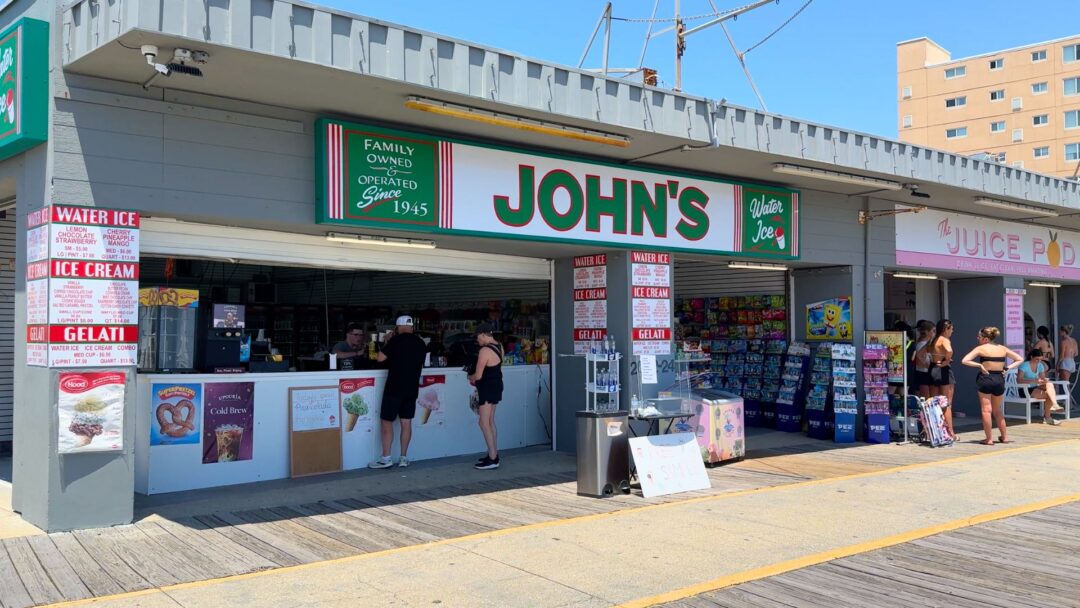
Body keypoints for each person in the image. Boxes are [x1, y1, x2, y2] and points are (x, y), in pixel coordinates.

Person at [369, 316, 428, 469]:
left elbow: (380, 358)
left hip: (394, 387)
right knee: (406, 422)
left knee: (387, 421)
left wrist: (388, 341)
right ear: (412, 327)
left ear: (398, 327)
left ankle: (386, 457)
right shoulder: (421, 343)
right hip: (411, 388)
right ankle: (403, 457)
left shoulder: (395, 341)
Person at [961, 327, 1023, 445]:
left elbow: (965, 360)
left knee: (986, 410)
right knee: (997, 410)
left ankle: (989, 439)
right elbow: (1020, 359)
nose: (977, 339)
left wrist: (979, 365)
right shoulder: (1002, 348)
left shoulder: (981, 348)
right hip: (999, 378)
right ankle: (1004, 437)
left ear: (985, 339)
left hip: (986, 378)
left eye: (979, 337)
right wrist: (1008, 368)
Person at [924, 319, 956, 437]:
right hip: (942, 370)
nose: (952, 331)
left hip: (933, 368)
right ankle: (950, 432)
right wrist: (946, 360)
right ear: (946, 329)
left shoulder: (933, 340)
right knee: (946, 403)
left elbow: (923, 352)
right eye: (951, 329)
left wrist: (934, 358)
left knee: (934, 402)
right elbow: (949, 350)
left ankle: (934, 430)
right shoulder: (944, 339)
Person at [1017, 348, 1064, 425]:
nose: (1039, 361)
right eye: (1037, 359)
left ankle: (1054, 405)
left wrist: (1044, 380)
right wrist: (1034, 381)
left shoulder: (1040, 365)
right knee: (1050, 395)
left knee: (1049, 384)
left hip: (1035, 388)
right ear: (1031, 357)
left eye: (1040, 359)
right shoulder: (1024, 365)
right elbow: (1018, 380)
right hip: (1025, 389)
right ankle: (1048, 417)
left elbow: (1042, 378)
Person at [911, 320, 935, 399]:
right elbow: (918, 358)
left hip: (924, 374)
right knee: (925, 399)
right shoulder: (922, 344)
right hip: (922, 374)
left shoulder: (923, 343)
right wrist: (928, 365)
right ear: (927, 332)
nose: (934, 333)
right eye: (933, 331)